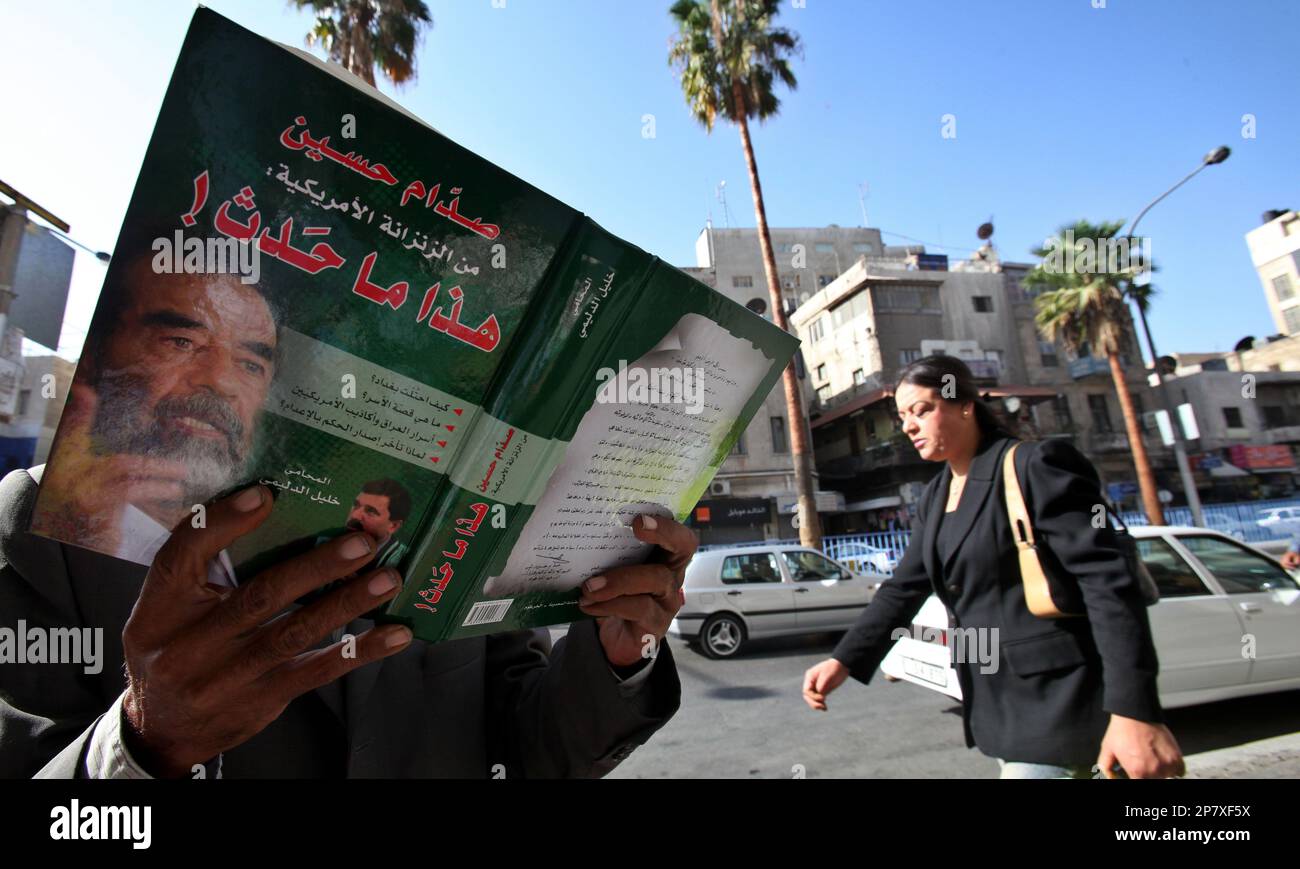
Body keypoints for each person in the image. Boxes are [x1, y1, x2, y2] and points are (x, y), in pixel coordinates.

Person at [0, 469, 689, 777]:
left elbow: (532, 749)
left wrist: (620, 654)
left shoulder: (462, 523)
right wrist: (142, 747)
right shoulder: (56, 522)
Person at [802, 355, 1185, 779]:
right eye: (903, 415)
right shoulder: (935, 496)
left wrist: (1134, 710)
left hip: (1060, 699)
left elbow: (1108, 584)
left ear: (965, 404)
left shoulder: (1034, 466)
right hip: (993, 702)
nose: (909, 426)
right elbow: (904, 588)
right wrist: (844, 660)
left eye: (923, 410)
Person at [30, 254, 277, 582]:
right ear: (93, 355)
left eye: (250, 365)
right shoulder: (37, 517)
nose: (222, 382)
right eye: (181, 342)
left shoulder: (257, 564)